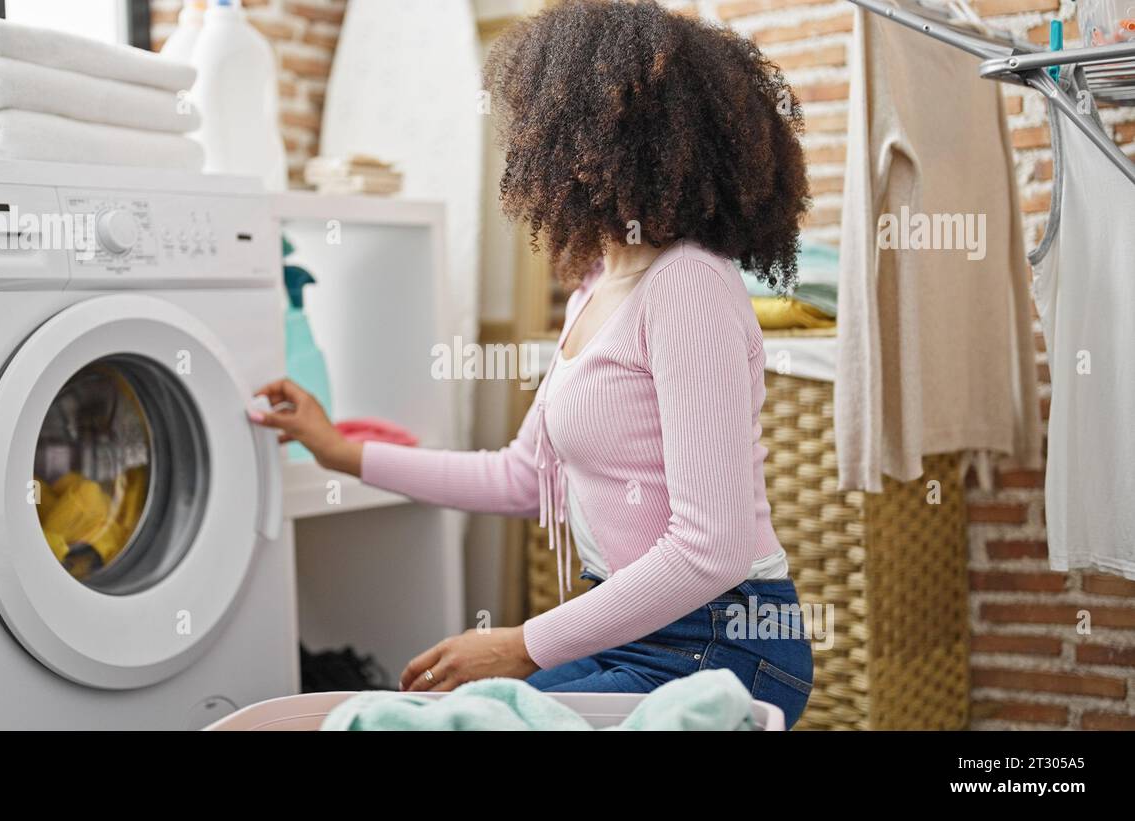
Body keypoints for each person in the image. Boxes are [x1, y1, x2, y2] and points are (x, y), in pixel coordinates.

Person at [250, 0, 815, 727]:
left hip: (722, 642)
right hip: (637, 635)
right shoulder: (594, 289)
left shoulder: (688, 285)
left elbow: (713, 548)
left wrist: (521, 643)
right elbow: (522, 475)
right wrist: (342, 452)